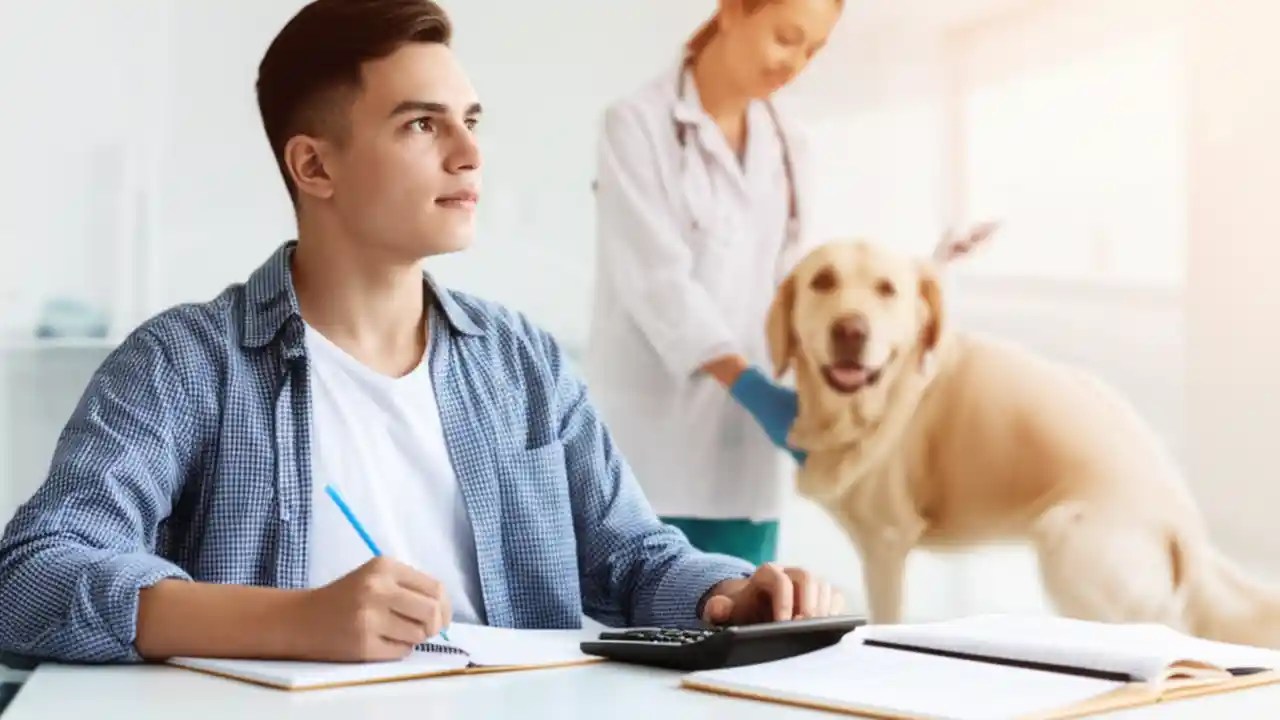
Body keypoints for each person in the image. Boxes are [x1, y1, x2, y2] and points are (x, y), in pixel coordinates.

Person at [0, 0, 843, 665]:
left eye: (471, 120)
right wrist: (296, 622)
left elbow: (632, 559)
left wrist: (728, 596)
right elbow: (29, 577)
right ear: (314, 166)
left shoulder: (522, 362)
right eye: (421, 124)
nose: (468, 154)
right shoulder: (186, 363)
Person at [586, 0, 993, 566]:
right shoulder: (636, 124)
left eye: (813, 50)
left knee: (746, 626)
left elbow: (800, 285)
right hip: (654, 441)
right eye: (785, 37)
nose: (795, 63)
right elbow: (657, 281)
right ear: (731, 12)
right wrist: (751, 388)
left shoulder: (789, 141)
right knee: (648, 630)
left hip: (747, 459)